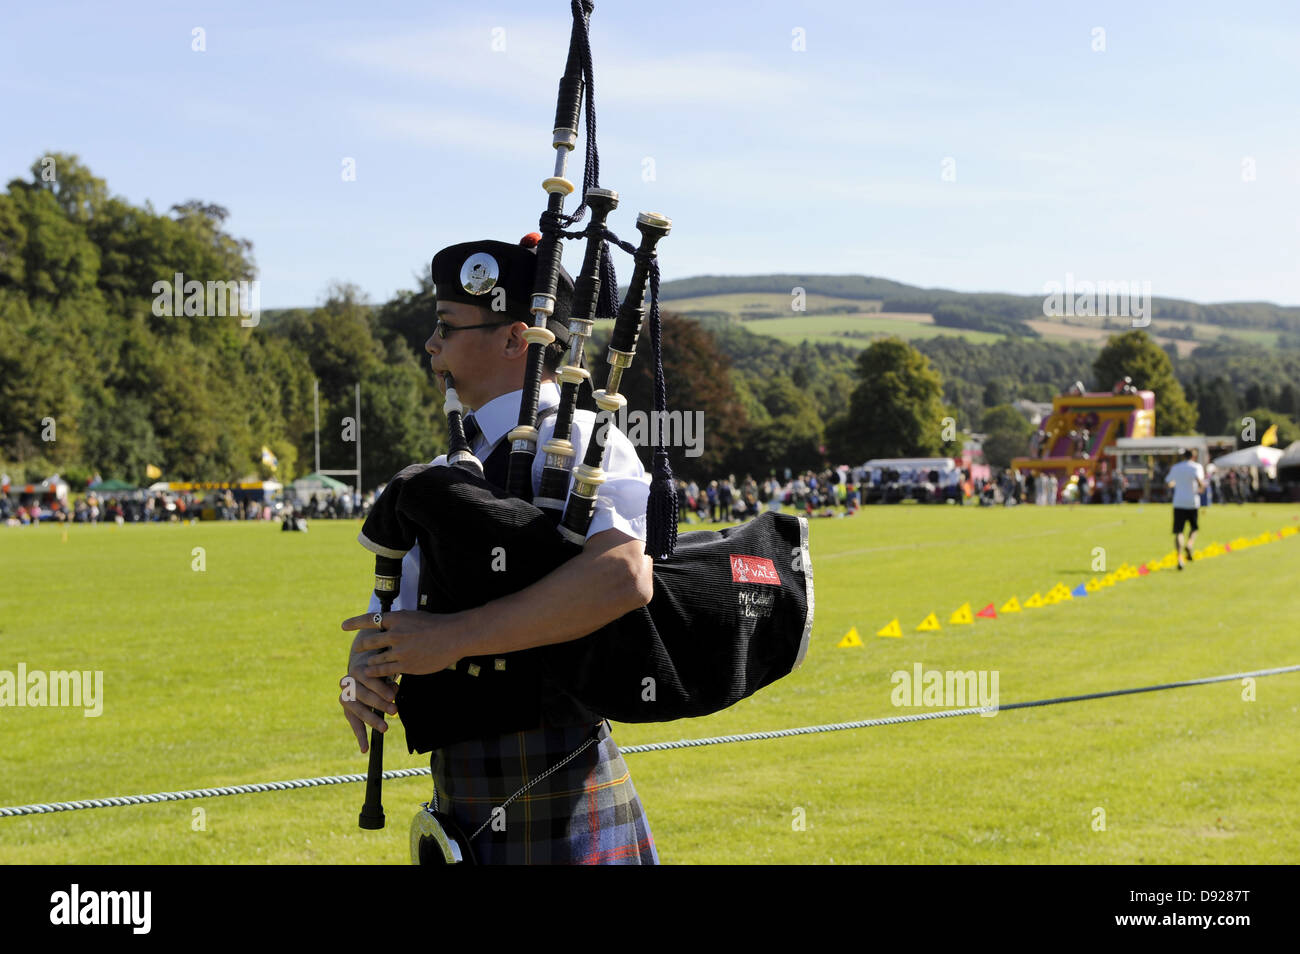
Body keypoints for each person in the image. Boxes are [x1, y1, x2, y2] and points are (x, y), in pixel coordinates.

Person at [338, 237, 658, 865]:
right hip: (463, 785)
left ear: (517, 339)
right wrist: (369, 660)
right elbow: (405, 622)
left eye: (447, 327)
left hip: (560, 775)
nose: (431, 344)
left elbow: (623, 576)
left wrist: (454, 638)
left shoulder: (585, 437)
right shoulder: (438, 471)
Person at [1165, 449, 1206, 570]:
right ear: (1193, 456)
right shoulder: (1196, 467)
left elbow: (1169, 482)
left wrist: (1177, 484)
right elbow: (1199, 481)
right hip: (1192, 502)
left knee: (1179, 531)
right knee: (1194, 528)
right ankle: (1189, 544)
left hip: (1178, 502)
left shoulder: (1176, 467)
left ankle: (1179, 558)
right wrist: (1201, 488)